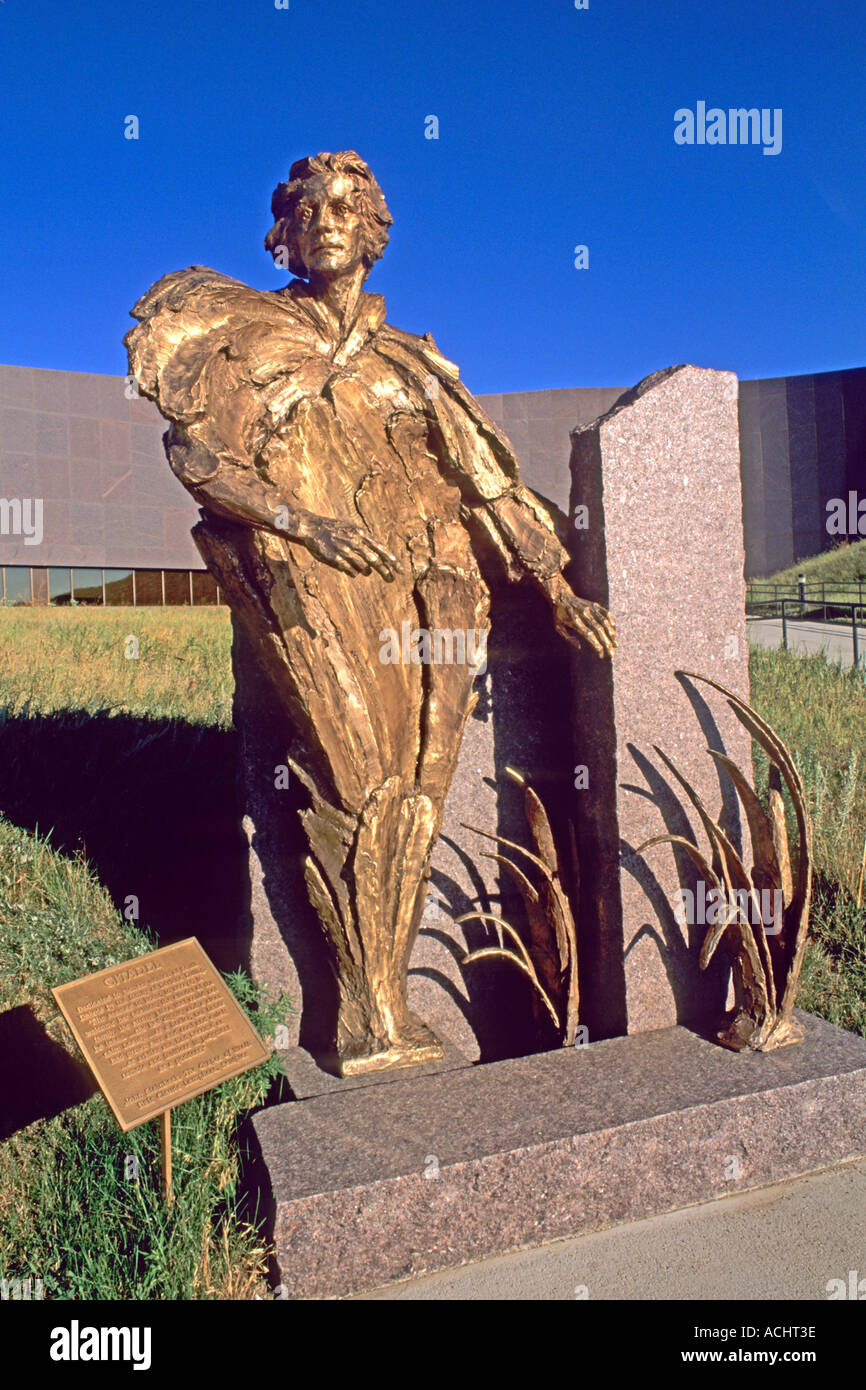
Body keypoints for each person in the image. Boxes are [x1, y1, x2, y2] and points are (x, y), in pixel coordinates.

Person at [125, 150, 616, 1075]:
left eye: (351, 206)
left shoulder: (412, 361)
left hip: (432, 594)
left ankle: (382, 1006)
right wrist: (302, 523)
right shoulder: (244, 333)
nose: (330, 220)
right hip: (312, 589)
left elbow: (488, 483)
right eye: (310, 207)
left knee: (419, 795)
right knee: (353, 783)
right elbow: (199, 462)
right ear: (284, 229)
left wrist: (556, 589)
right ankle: (364, 1008)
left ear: (377, 233)